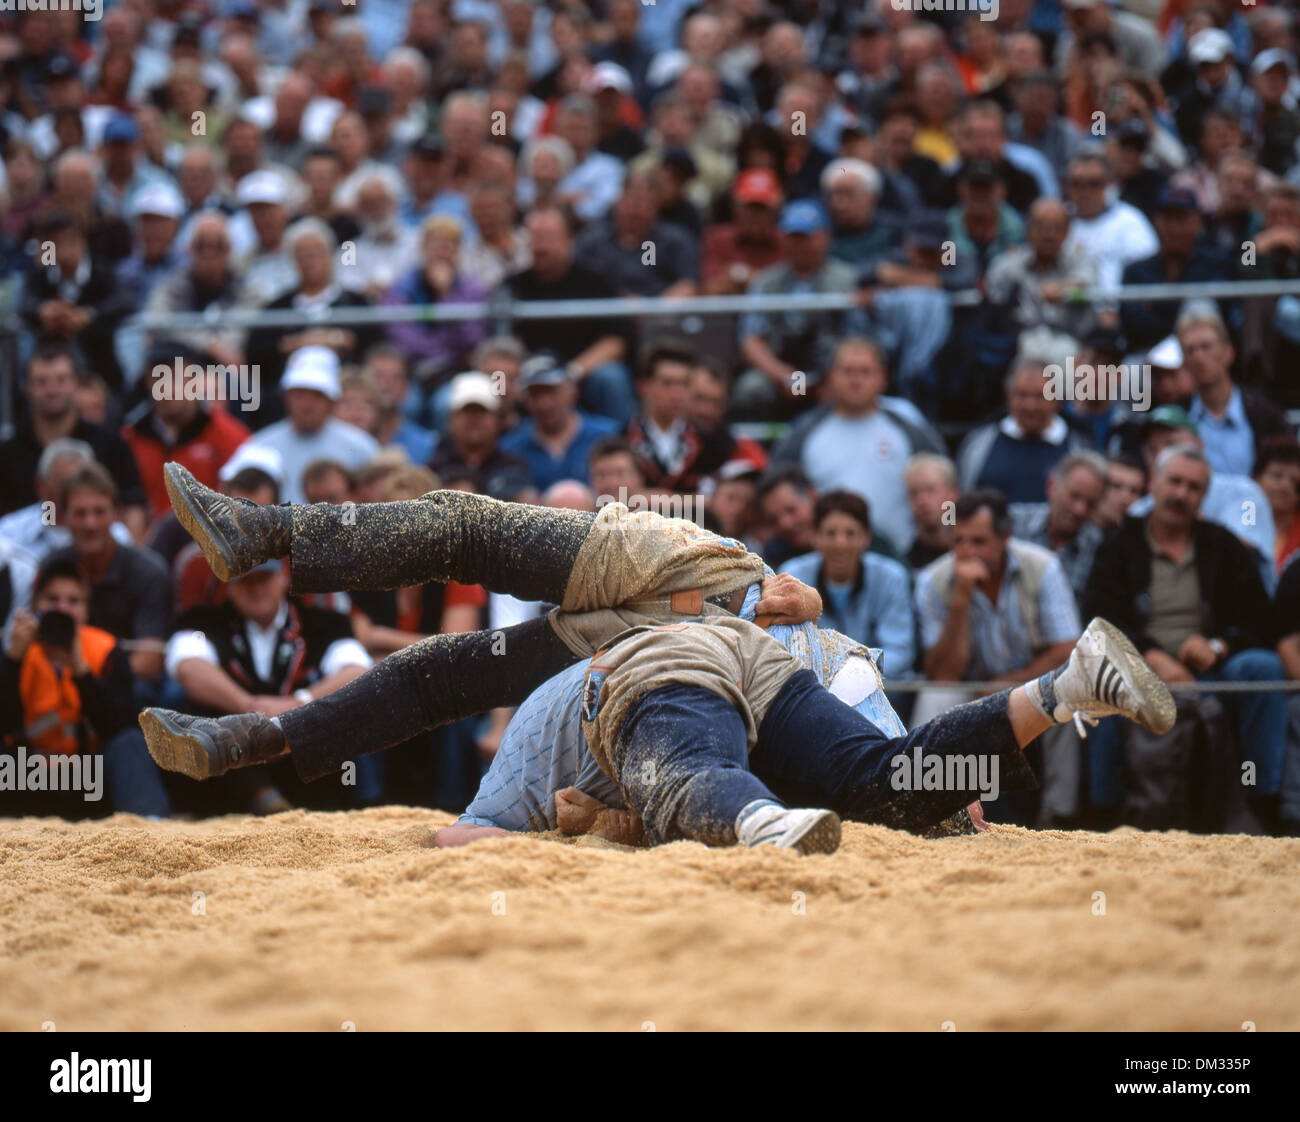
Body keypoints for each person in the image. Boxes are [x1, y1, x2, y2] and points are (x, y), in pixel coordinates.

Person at [138, 458, 822, 786]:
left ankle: (247, 736)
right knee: (458, 569)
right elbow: (810, 610)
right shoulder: (833, 705)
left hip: (691, 646)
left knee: (445, 649)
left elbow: (814, 625)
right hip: (707, 609)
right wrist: (806, 601)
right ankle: (258, 536)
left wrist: (801, 604)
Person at [447, 610, 1174, 852]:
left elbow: (458, 837)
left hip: (661, 675)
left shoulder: (530, 748)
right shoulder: (549, 715)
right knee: (883, 779)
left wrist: (587, 830)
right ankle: (1067, 687)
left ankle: (761, 825)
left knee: (686, 776)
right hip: (764, 661)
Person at [1082, 445, 1288, 828]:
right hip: (1135, 666)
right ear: (1154, 485)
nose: (1181, 494)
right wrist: (1151, 656)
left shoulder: (1221, 544)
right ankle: (1103, 815)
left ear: (1203, 496)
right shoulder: (1120, 545)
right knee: (1099, 687)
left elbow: (1262, 620)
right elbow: (1098, 619)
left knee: (1262, 667)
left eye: (1194, 487)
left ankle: (1262, 804)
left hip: (1208, 669)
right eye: (1174, 482)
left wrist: (1218, 645)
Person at [1, 559, 170, 819]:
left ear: (86, 609)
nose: (62, 609)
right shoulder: (18, 650)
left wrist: (80, 669)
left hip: (90, 776)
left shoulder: (106, 650)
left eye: (73, 601)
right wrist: (12, 660)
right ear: (36, 604)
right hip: (30, 774)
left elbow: (119, 725)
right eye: (52, 600)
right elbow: (6, 724)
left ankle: (149, 826)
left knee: (130, 744)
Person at [770, 337, 945, 553]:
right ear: (830, 377)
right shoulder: (804, 433)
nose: (855, 380)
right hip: (823, 561)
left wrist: (946, 529)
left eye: (865, 372)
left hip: (902, 556)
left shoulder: (909, 430)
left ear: (883, 378)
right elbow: (773, 491)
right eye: (847, 371)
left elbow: (947, 488)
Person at [779, 491, 917, 679]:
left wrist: (854, 675)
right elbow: (784, 646)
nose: (840, 544)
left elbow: (899, 651)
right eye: (830, 533)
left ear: (866, 537)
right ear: (815, 537)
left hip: (879, 685)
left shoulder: (891, 577)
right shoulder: (793, 575)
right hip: (814, 686)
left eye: (850, 533)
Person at [245, 346, 381, 504]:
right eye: (299, 394)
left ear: (332, 399)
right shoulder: (259, 445)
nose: (307, 404)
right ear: (286, 396)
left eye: (317, 395)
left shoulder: (363, 447)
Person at [499, 354, 619, 493]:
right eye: (535, 394)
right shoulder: (511, 448)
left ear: (572, 390)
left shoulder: (608, 436)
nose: (544, 404)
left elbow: (630, 489)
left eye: (551, 391)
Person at [1008, 451, 1109, 605]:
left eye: (1091, 504)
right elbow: (961, 517)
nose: (1080, 510)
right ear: (1051, 486)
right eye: (1074, 496)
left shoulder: (1099, 548)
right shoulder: (1014, 522)